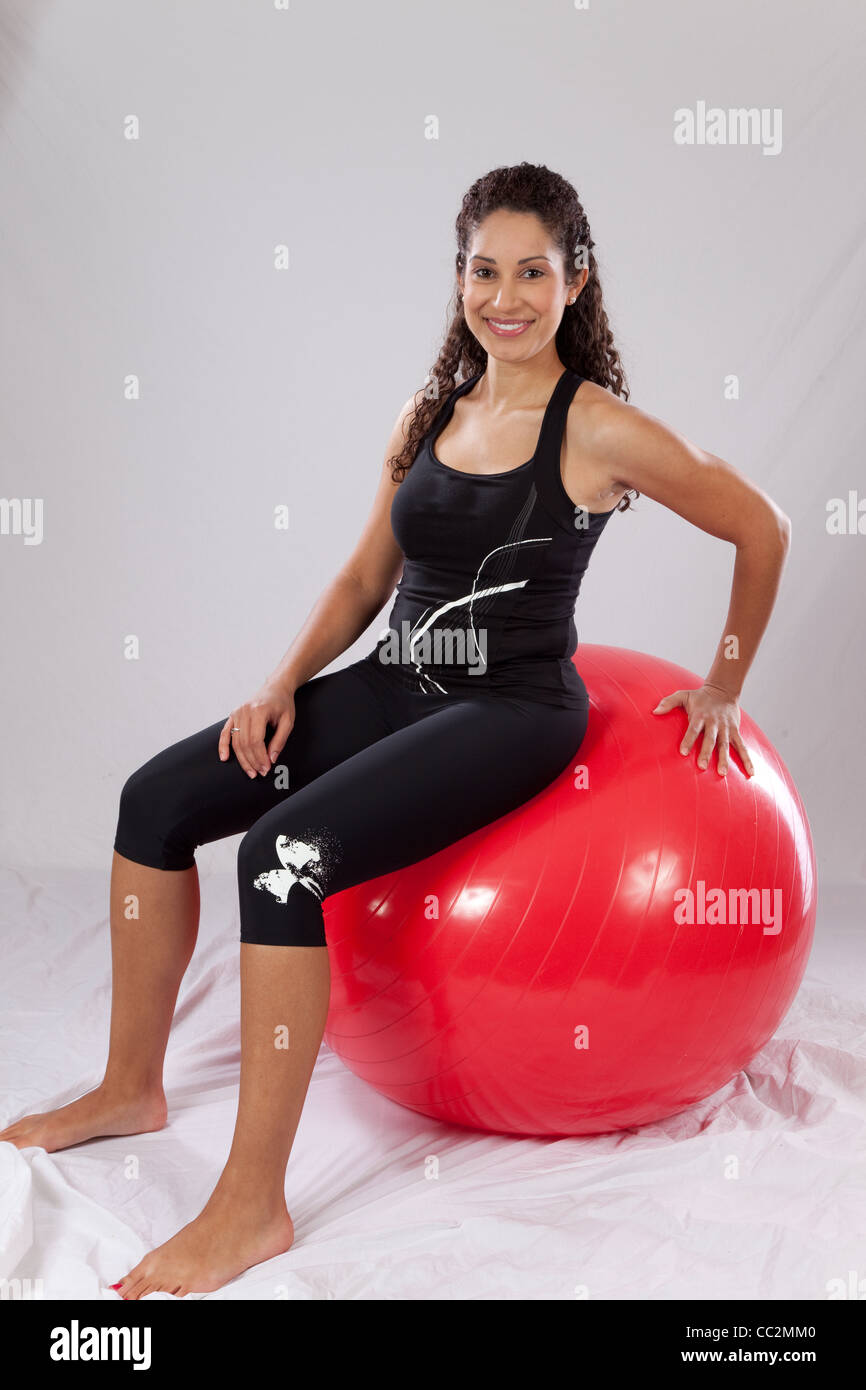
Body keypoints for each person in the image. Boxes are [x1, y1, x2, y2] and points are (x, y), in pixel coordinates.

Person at [1, 162, 789, 1298]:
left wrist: (721, 684)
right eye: (482, 269)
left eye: (532, 271)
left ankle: (250, 1204)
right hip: (393, 679)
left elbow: (758, 525)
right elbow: (368, 572)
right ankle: (130, 1084)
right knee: (154, 800)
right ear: (457, 275)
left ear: (576, 281)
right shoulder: (431, 412)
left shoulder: (600, 427)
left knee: (282, 862)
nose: (503, 295)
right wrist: (280, 683)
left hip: (509, 710)